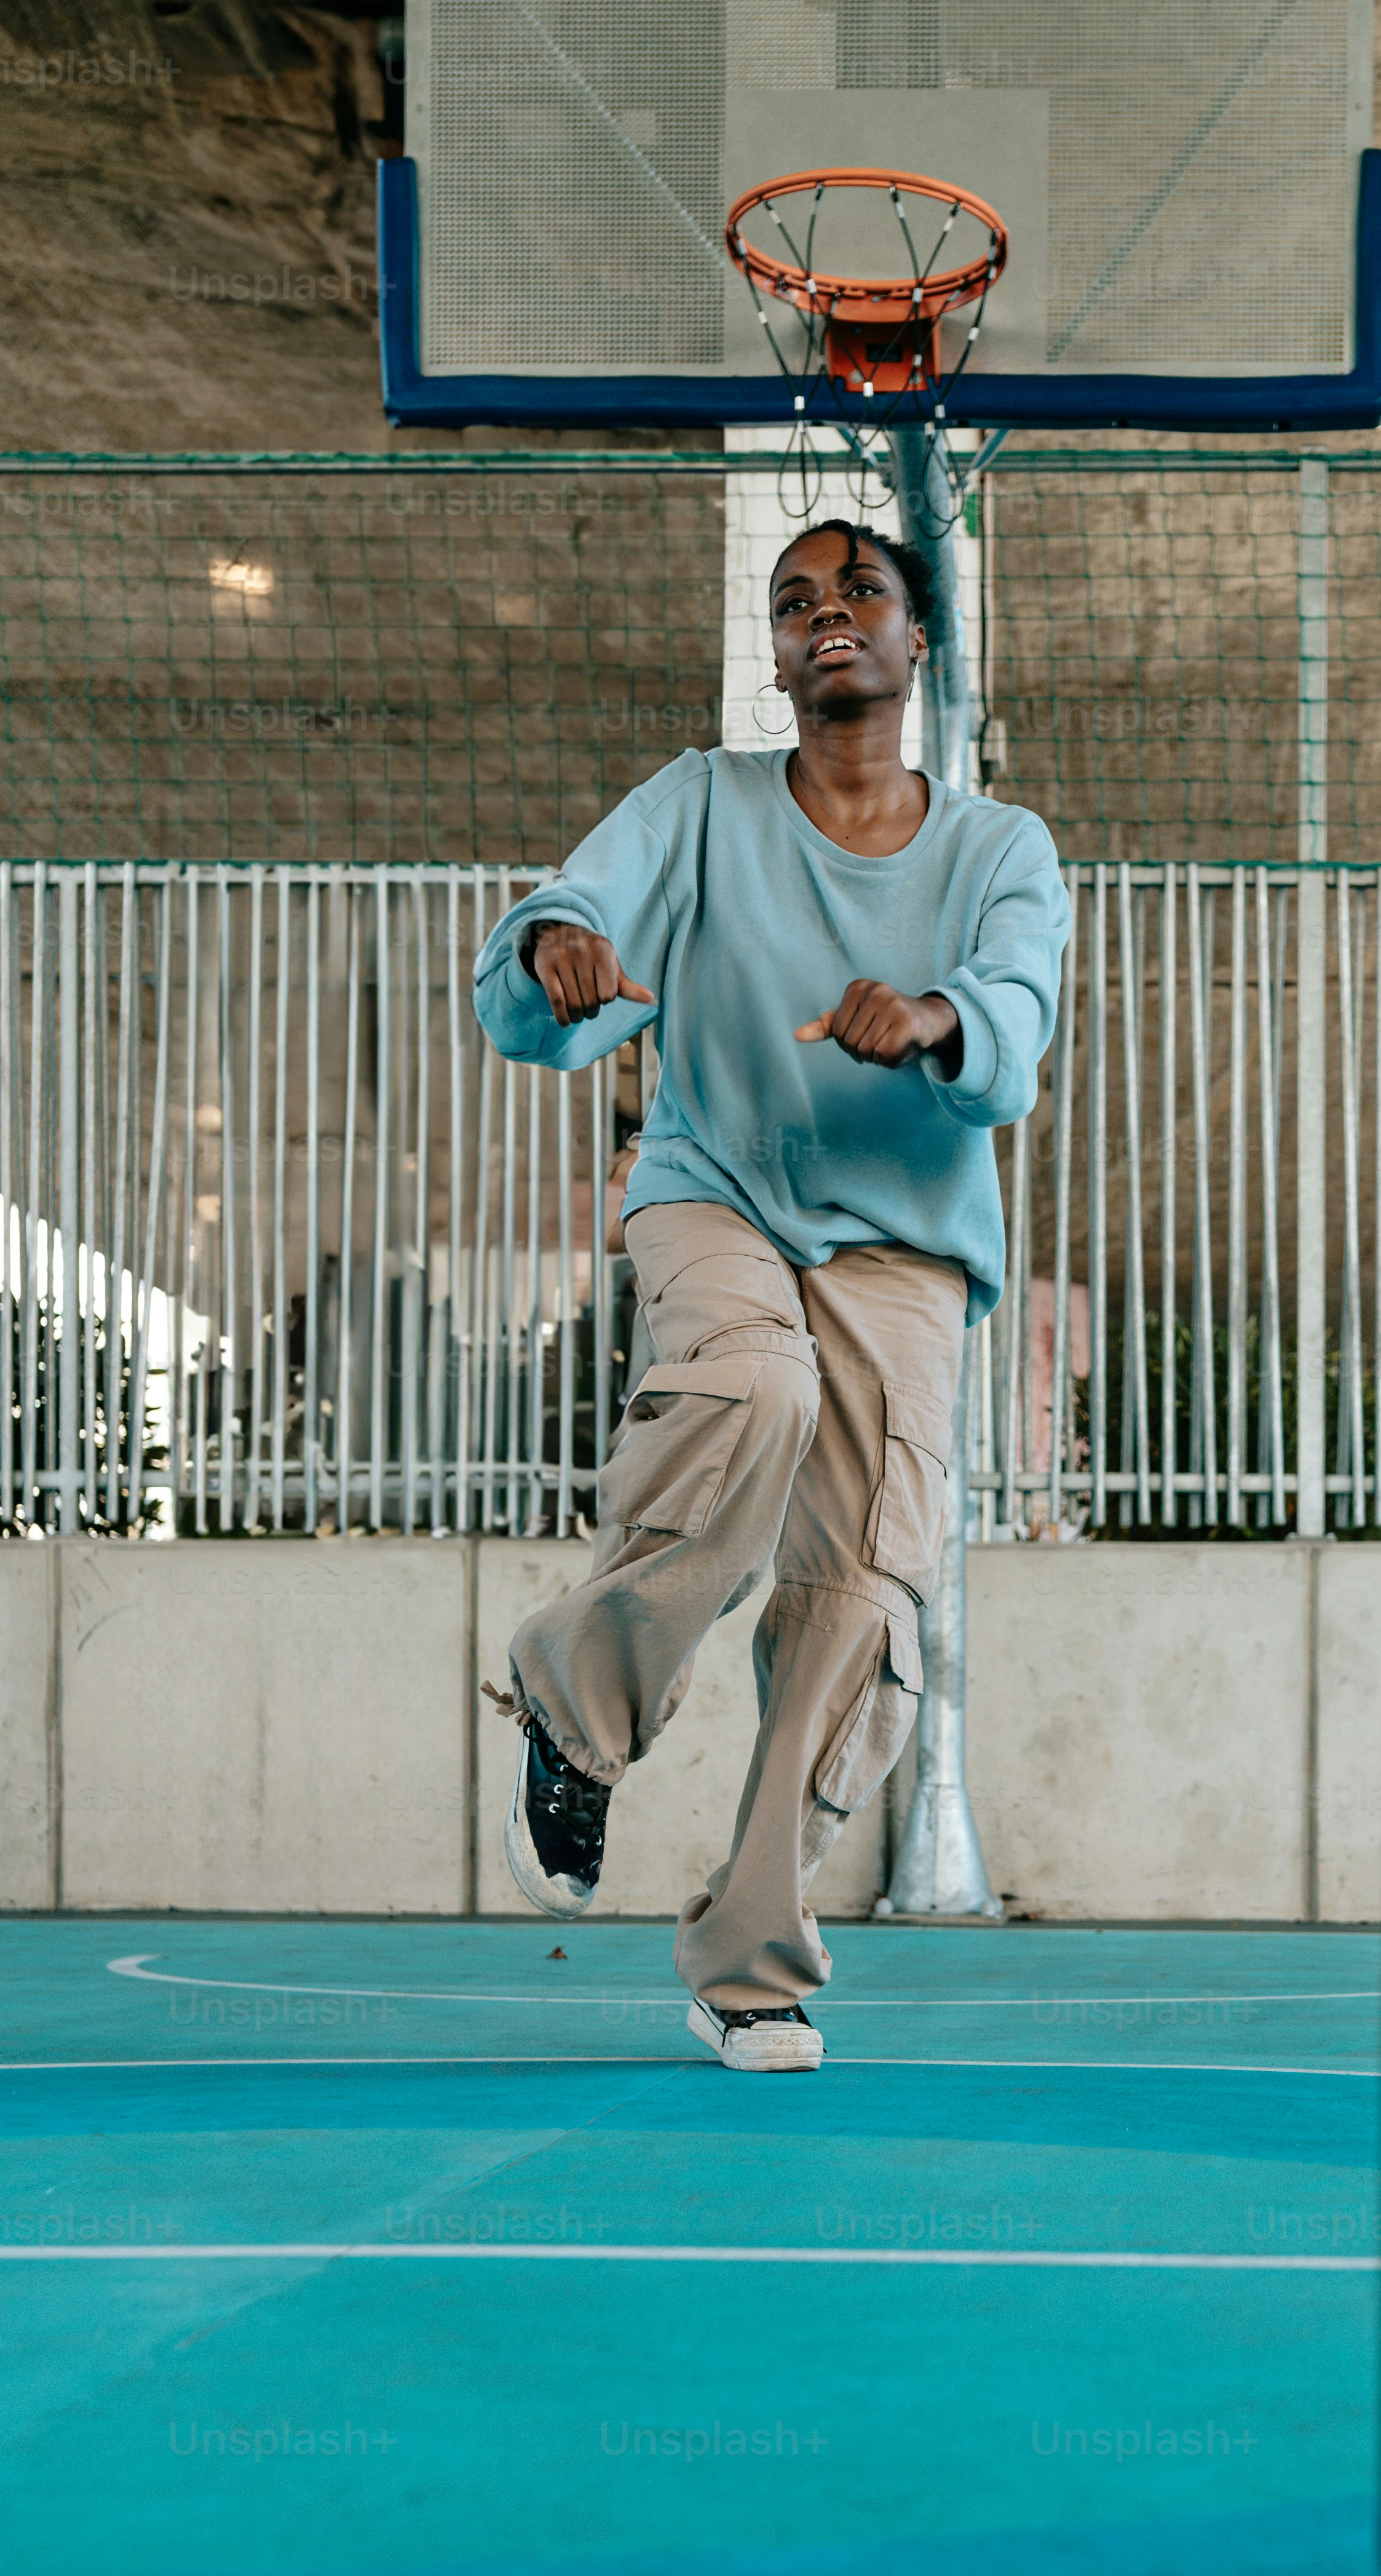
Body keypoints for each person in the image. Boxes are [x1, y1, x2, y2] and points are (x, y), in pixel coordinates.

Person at [472, 516, 1068, 2073]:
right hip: (716, 1191)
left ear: (916, 638)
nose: (827, 618)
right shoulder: (704, 803)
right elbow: (561, 911)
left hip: (906, 1247)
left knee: (863, 1602)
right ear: (777, 654)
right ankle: (578, 1700)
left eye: (859, 592)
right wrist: (560, 953)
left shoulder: (1002, 847)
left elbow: (1014, 1006)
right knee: (756, 1388)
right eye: (794, 602)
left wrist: (933, 1015)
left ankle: (752, 1960)